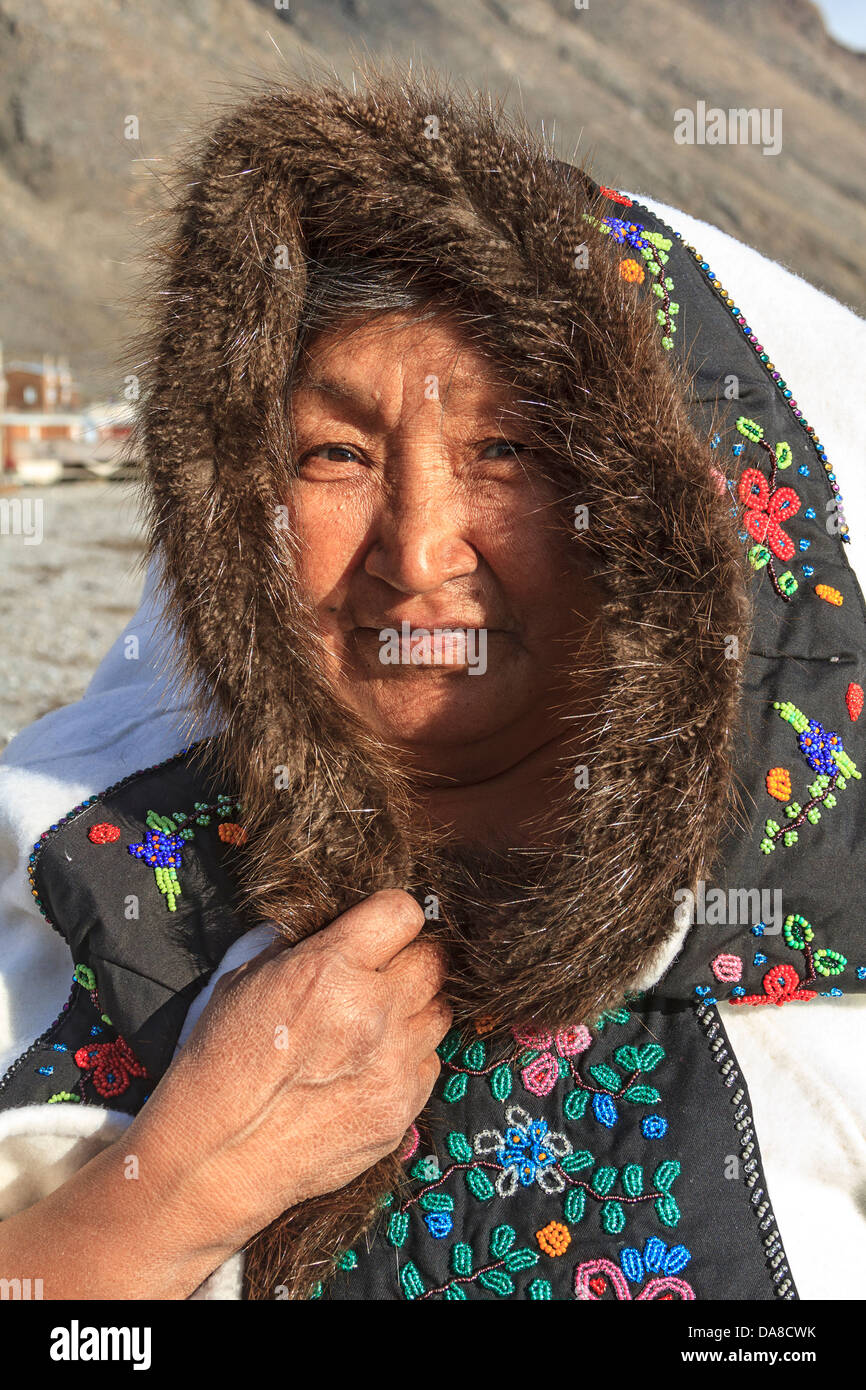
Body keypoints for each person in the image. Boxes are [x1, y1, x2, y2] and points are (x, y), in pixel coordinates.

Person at [1, 71, 864, 1301]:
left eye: (505, 450)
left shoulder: (821, 947)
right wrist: (182, 1186)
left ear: (664, 511)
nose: (414, 551)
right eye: (335, 453)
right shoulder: (79, 867)